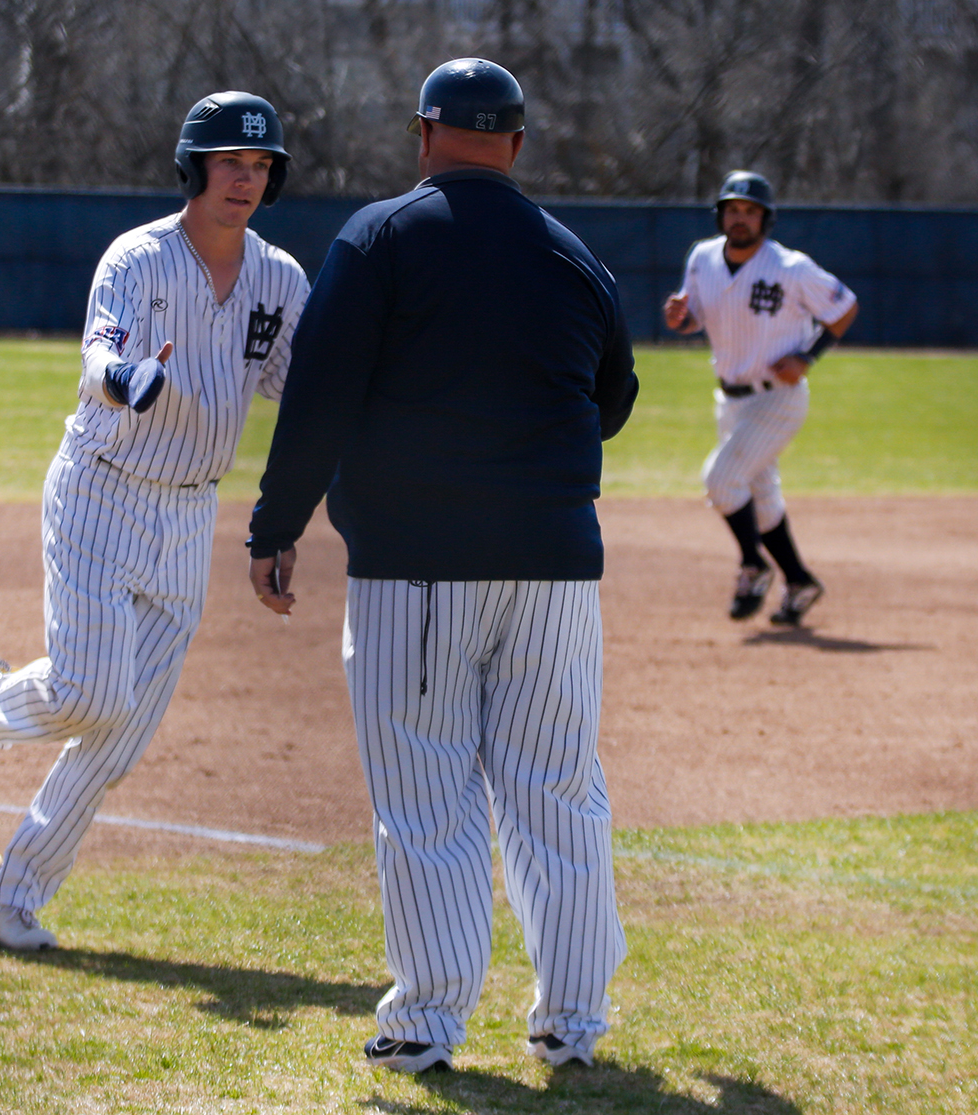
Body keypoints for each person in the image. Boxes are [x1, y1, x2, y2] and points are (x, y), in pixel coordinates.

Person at [245, 59, 638, 1074]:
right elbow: (613, 394)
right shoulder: (569, 256)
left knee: (426, 795)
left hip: (415, 567)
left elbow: (318, 395)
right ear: (515, 143)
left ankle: (425, 1024)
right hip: (555, 567)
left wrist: (274, 523)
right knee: (556, 787)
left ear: (423, 134)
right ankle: (573, 1023)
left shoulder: (379, 236)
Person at [0, 92, 310, 952]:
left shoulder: (281, 281)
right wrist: (126, 378)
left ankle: (13, 897)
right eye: (229, 163)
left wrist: (288, 514)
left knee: (118, 740)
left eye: (259, 167)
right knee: (90, 691)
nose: (244, 179)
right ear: (193, 168)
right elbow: (101, 349)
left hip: (189, 512)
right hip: (103, 488)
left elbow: (305, 394)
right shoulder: (136, 259)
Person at [663, 171, 857, 624]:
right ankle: (800, 581)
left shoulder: (791, 267)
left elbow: (845, 305)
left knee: (720, 479)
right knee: (762, 498)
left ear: (766, 219)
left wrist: (808, 356)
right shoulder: (703, 257)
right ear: (721, 215)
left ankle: (753, 564)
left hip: (778, 397)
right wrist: (681, 318)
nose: (741, 218)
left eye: (751, 211)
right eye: (733, 209)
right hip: (729, 399)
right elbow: (697, 316)